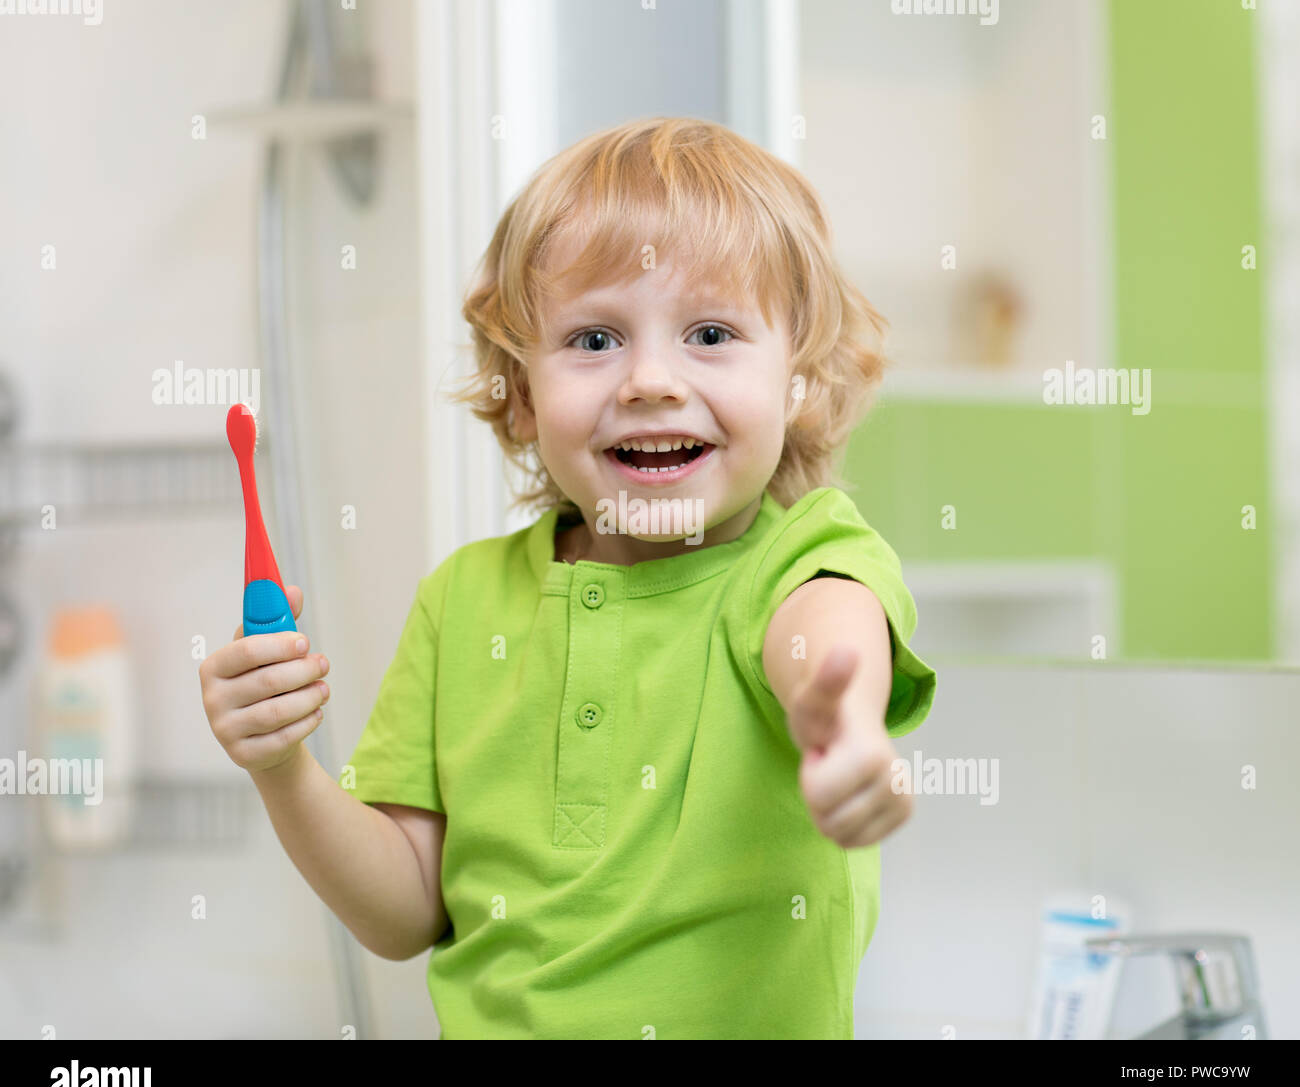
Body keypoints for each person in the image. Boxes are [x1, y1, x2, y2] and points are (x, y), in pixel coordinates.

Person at [199, 117, 937, 1039]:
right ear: (519, 391)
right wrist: (281, 768)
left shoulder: (799, 561)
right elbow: (400, 915)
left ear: (798, 381)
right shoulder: (461, 602)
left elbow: (823, 635)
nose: (651, 380)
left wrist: (843, 717)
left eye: (710, 332)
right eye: (593, 341)